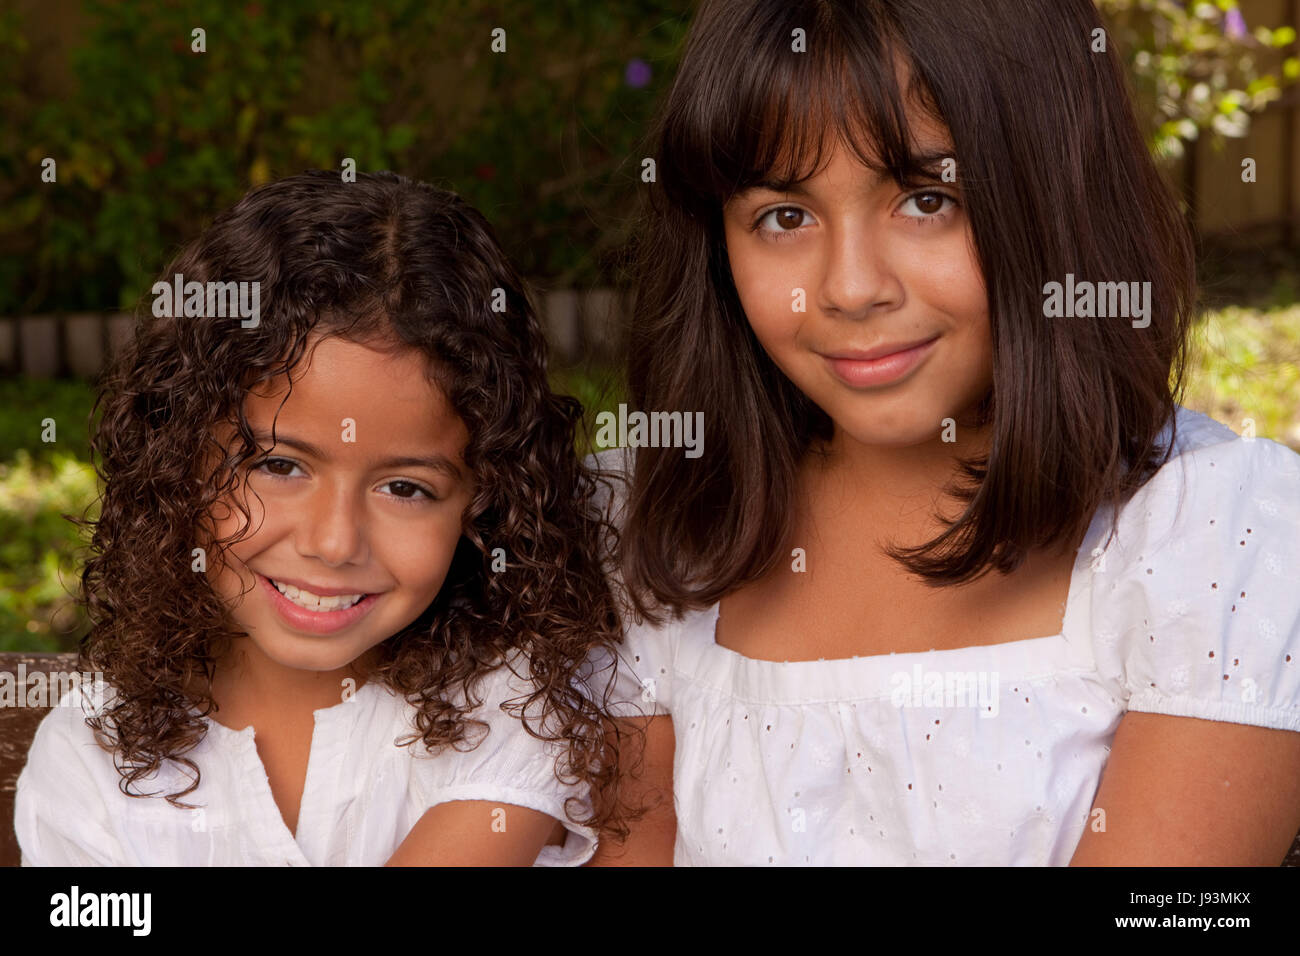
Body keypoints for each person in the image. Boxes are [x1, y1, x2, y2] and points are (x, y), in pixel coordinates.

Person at [586, 0, 1300, 866]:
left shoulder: (1212, 535)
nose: (850, 287)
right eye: (784, 216)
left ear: (1059, 199)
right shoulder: (656, 531)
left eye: (928, 200)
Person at [16, 170, 627, 866]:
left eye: (405, 487)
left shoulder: (512, 703)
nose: (333, 542)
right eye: (278, 466)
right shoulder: (91, 755)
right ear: (176, 452)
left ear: (484, 500)